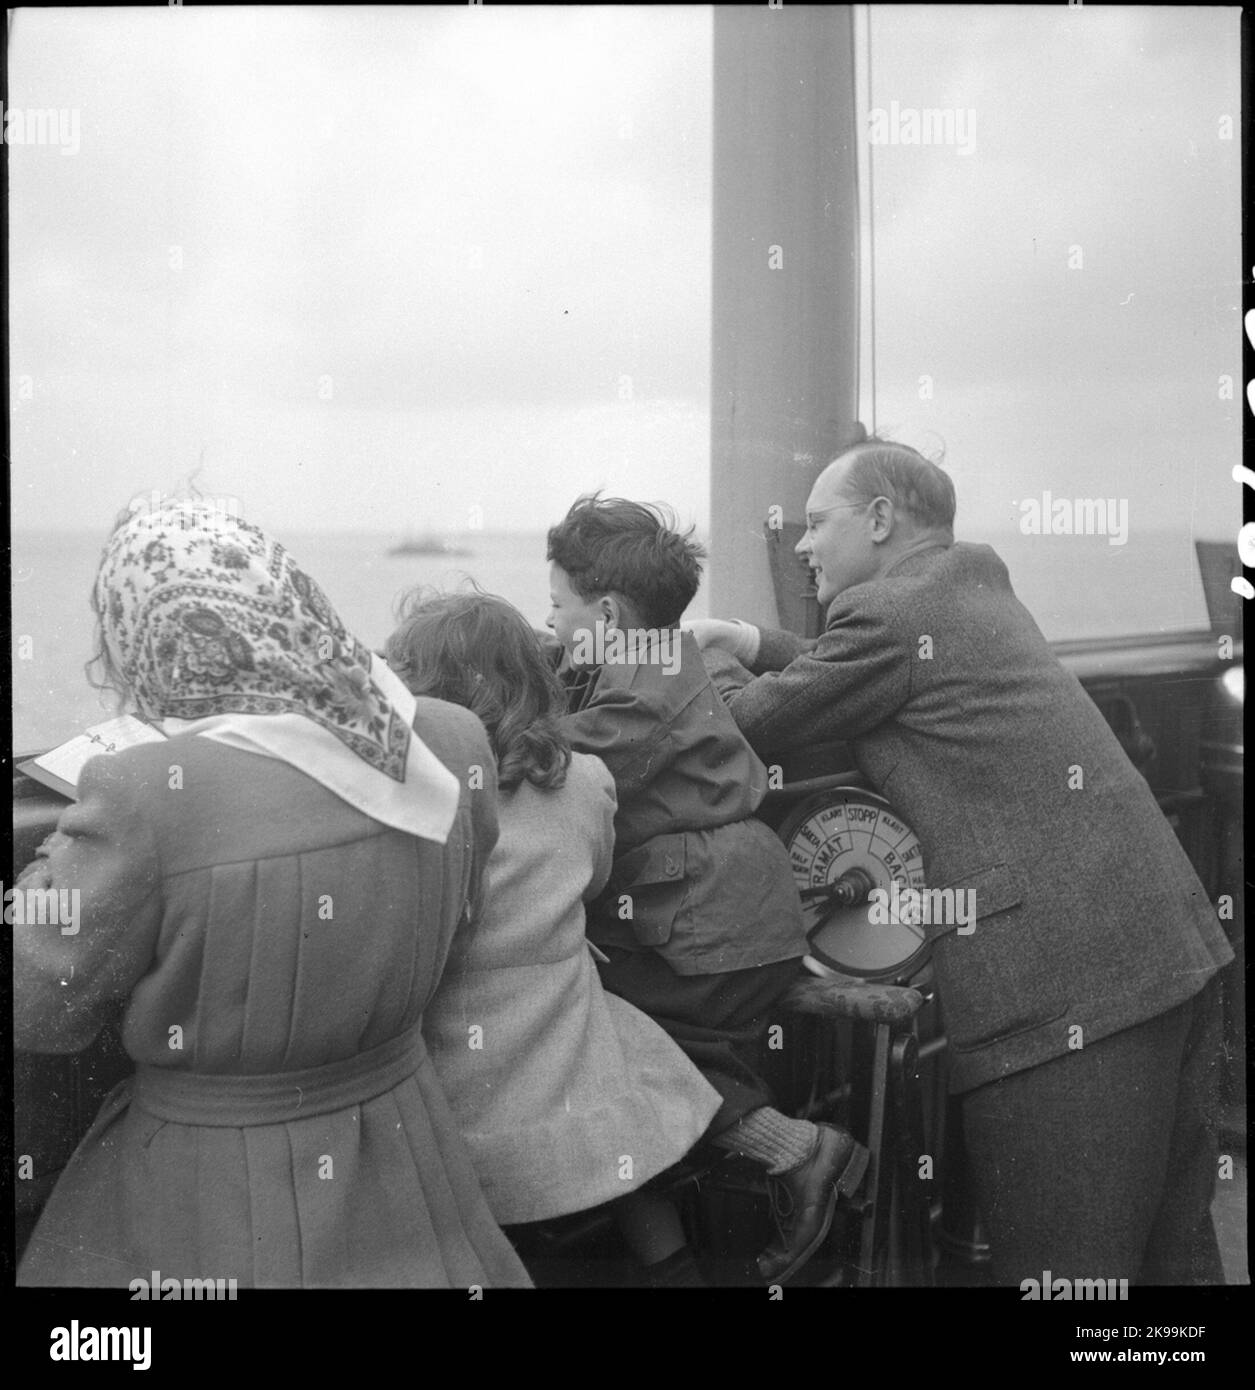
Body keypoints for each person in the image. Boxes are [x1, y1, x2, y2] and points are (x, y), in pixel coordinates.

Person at [689, 438, 1235, 1286]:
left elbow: (743, 724)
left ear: (878, 519)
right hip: (1163, 955)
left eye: (816, 523)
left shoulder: (890, 618)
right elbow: (867, 670)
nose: (800, 544)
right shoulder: (964, 590)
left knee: (1068, 1269)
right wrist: (756, 636)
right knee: (1170, 1261)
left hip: (1067, 990)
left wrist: (697, 655)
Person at [15, 500, 531, 1289]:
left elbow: (39, 1009)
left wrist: (55, 854)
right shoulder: (451, 738)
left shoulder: (142, 792)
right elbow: (460, 921)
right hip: (401, 1141)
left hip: (211, 1188)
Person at [544, 495, 870, 1285]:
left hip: (706, 922)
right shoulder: (666, 659)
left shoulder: (636, 697)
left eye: (557, 607)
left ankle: (800, 1152)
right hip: (743, 914)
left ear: (609, 611)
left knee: (607, 1036)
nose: (549, 624)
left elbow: (557, 757)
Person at [385, 588, 723, 1285]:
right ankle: (675, 1265)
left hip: (458, 1053)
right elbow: (593, 876)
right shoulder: (583, 779)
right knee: (620, 1094)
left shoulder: (414, 797)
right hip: (564, 1034)